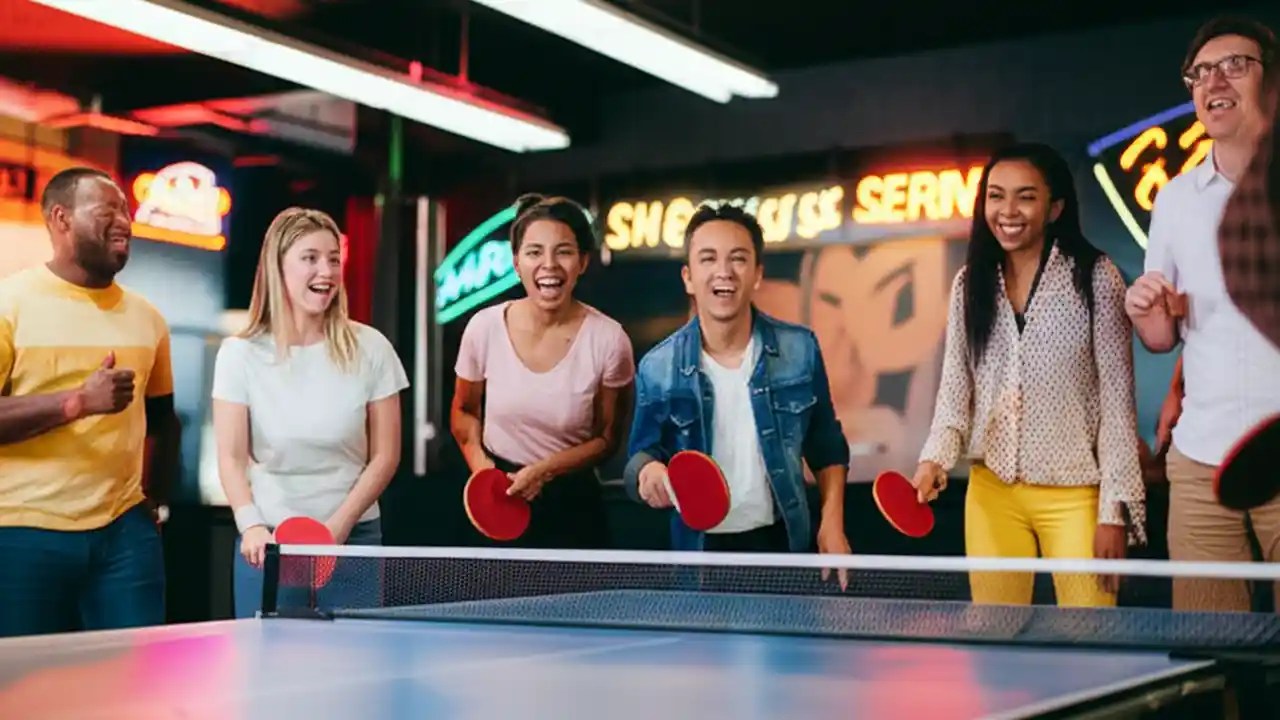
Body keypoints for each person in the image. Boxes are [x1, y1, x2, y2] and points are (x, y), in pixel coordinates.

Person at [914, 143, 1146, 608]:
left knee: (1090, 636)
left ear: (1055, 207)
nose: (1008, 211)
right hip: (990, 493)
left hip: (1076, 494)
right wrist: (934, 459)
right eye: (996, 196)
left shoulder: (1096, 277)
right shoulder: (969, 283)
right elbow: (955, 391)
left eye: (1026, 197)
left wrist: (1114, 512)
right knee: (998, 643)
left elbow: (1118, 406)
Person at [1125, 16, 1280, 612]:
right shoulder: (1175, 199)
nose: (1214, 80)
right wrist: (1148, 313)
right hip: (1200, 459)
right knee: (1210, 648)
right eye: (1199, 73)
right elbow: (1166, 335)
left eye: (1235, 64)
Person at [0, 167, 180, 637]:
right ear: (61, 219)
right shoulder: (10, 305)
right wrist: (76, 402)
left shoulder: (149, 318)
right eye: (107, 209)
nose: (124, 221)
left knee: (131, 686)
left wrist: (154, 506)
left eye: (125, 209)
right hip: (22, 532)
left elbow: (163, 422)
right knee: (25, 692)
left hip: (125, 534)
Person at [624, 202, 852, 560]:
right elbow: (640, 454)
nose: (724, 272)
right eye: (708, 259)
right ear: (687, 277)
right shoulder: (658, 365)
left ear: (757, 274)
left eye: (738, 259)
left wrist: (832, 524)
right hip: (699, 552)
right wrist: (648, 471)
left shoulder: (800, 348)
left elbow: (828, 448)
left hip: (783, 543)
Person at [212, 207, 408, 618]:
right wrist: (250, 524)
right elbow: (230, 457)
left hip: (355, 537)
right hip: (269, 541)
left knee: (353, 674)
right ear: (277, 266)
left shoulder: (372, 348)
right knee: (267, 671)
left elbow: (386, 456)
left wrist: (337, 529)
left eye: (334, 259)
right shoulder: (239, 354)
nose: (327, 271)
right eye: (311, 258)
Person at [451, 194, 634, 549]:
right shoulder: (483, 327)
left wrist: (545, 471)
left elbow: (607, 439)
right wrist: (482, 470)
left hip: (573, 505)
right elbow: (464, 412)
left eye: (563, 251)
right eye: (534, 252)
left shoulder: (610, 339)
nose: (548, 264)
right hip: (497, 497)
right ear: (516, 262)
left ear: (582, 261)